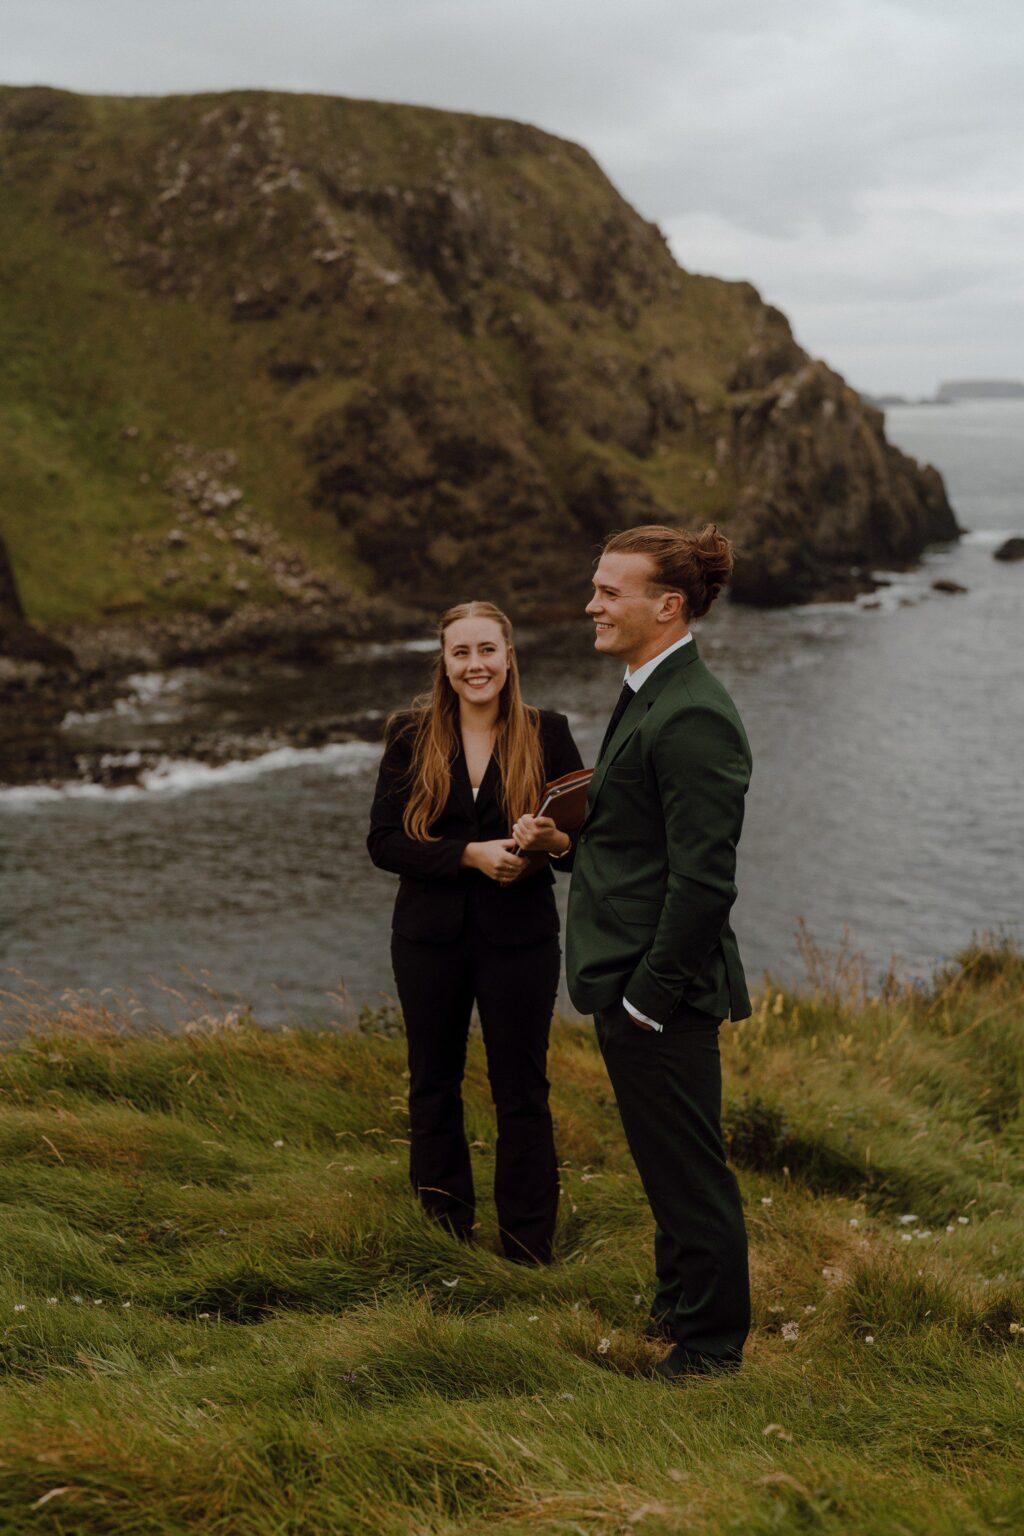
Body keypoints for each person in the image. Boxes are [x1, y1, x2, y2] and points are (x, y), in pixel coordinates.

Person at [552, 523, 751, 1379]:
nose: (591, 604)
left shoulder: (697, 712)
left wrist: (646, 999)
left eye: (609, 592)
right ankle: (679, 1312)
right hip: (626, 977)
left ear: (665, 606)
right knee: (663, 1165)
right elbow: (640, 836)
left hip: (658, 990)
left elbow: (704, 883)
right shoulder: (646, 687)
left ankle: (708, 1351)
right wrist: (564, 838)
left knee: (689, 1171)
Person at [367, 600, 582, 1264]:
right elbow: (383, 842)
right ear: (444, 662)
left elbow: (581, 845)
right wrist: (469, 854)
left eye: (486, 650)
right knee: (433, 1082)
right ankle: (444, 1238)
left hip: (521, 938)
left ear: (509, 656)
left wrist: (550, 839)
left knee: (522, 1090)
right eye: (460, 653)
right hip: (428, 939)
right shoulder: (409, 734)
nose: (475, 665)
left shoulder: (550, 731)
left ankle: (526, 1249)